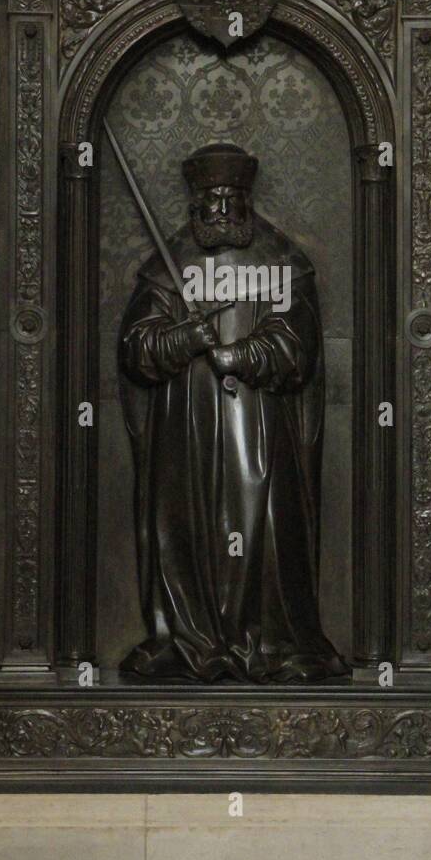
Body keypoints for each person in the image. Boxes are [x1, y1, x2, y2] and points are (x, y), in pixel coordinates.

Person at [118, 142, 348, 683]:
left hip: (262, 428)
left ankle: (270, 644)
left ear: (247, 205)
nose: (221, 213)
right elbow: (136, 349)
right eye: (211, 203)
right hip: (186, 427)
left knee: (266, 533)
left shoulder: (282, 261)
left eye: (232, 203)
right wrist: (181, 339)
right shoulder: (167, 265)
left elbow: (297, 349)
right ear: (195, 208)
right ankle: (190, 640)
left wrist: (238, 354)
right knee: (184, 530)